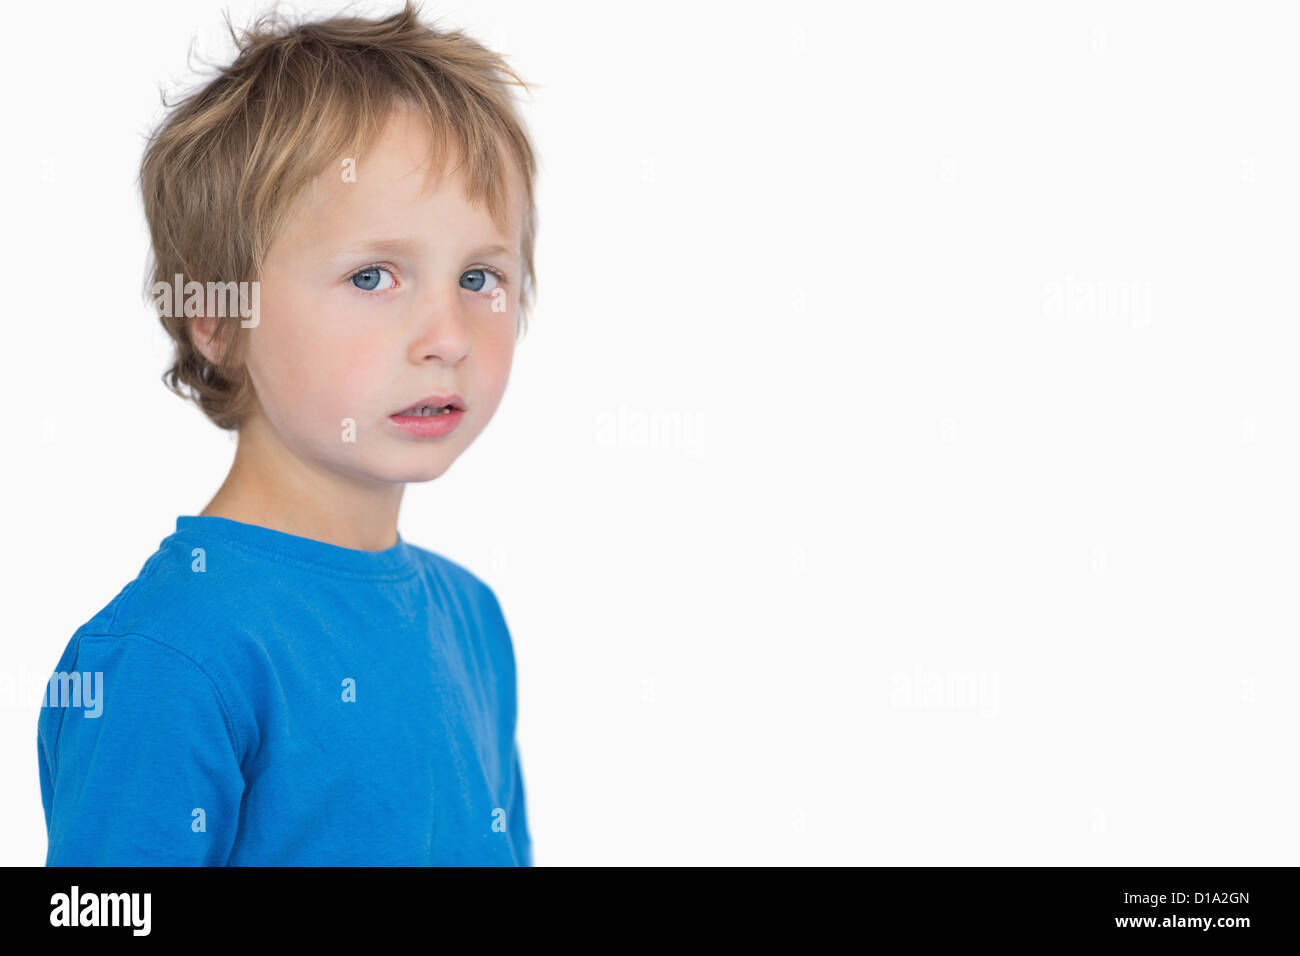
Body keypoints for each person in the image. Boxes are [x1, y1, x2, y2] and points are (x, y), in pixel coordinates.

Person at [37, 0, 538, 865]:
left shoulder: (472, 620)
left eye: (480, 275)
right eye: (374, 275)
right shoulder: (173, 656)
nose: (449, 336)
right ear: (217, 318)